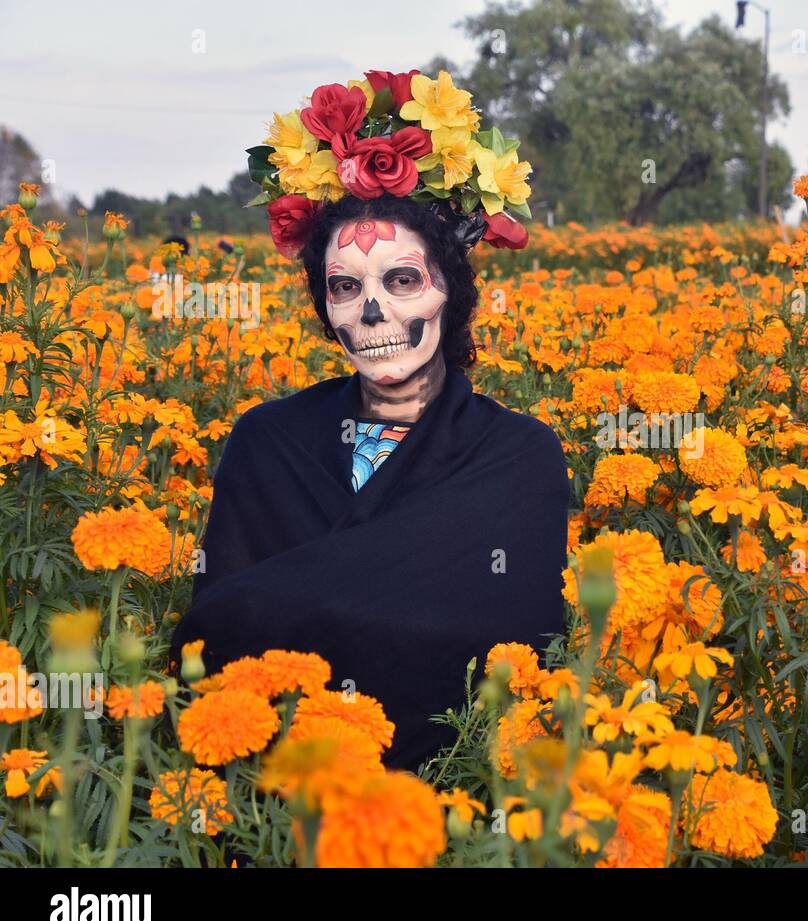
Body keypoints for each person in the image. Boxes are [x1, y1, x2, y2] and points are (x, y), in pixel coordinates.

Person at [171, 70, 565, 771]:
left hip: (456, 801)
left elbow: (515, 649)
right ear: (327, 312)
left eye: (403, 280)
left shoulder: (520, 455)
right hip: (270, 798)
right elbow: (211, 642)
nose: (374, 311)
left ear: (453, 291)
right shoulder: (266, 442)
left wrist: (301, 609)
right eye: (347, 287)